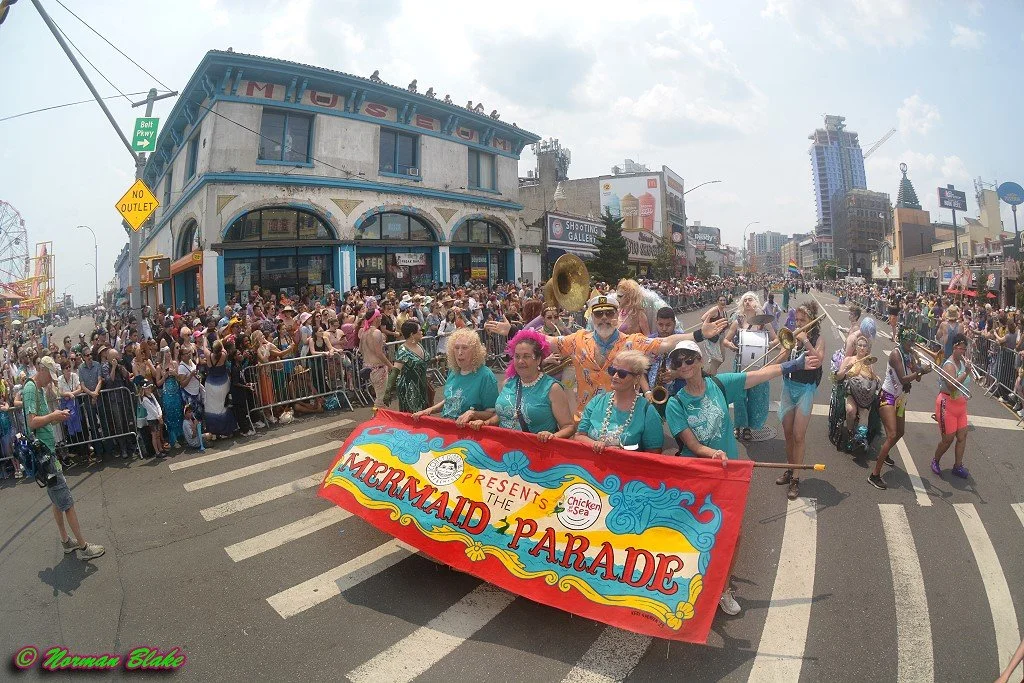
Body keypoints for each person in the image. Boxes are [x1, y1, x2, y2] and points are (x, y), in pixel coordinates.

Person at [663, 339, 817, 615]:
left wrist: (795, 364)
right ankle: (688, 585)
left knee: (732, 535)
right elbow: (694, 446)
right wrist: (712, 453)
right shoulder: (676, 404)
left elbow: (759, 376)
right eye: (677, 362)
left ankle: (722, 588)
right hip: (696, 478)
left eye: (689, 359)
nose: (684, 365)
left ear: (699, 361)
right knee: (694, 534)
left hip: (727, 476)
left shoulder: (720, 385)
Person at [485, 294, 727, 415]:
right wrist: (513, 330)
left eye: (608, 313)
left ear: (616, 316)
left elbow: (666, 342)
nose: (603, 318)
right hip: (586, 420)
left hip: (623, 419)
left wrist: (699, 335)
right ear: (591, 317)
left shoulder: (632, 342)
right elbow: (546, 340)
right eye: (598, 314)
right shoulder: (577, 339)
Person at [23, 356, 104, 560]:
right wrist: (53, 417)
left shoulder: (38, 388)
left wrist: (54, 413)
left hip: (48, 451)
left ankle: (66, 541)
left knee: (57, 500)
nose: (51, 379)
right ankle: (84, 547)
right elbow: (31, 422)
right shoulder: (31, 388)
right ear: (41, 370)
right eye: (49, 375)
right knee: (66, 501)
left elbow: (42, 414)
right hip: (45, 454)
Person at [470, 329, 575, 442]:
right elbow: (503, 415)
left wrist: (552, 436)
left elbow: (568, 426)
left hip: (535, 451)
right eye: (517, 356)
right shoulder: (507, 383)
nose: (520, 361)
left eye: (526, 356)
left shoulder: (552, 388)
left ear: (538, 359)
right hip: (504, 450)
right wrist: (486, 423)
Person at [776, 301, 825, 500]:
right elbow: (781, 360)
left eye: (802, 320)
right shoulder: (792, 336)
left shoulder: (818, 339)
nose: (798, 323)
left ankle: (796, 478)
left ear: (811, 321)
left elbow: (818, 360)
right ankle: (790, 469)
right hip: (789, 387)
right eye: (796, 319)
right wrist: (786, 347)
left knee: (798, 435)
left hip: (805, 390)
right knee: (787, 433)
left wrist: (805, 341)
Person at [574, 350, 663, 453]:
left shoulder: (647, 410)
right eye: (612, 371)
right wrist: (597, 445)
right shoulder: (596, 401)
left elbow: (654, 452)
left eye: (622, 373)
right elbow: (579, 436)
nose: (615, 376)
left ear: (636, 378)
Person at [869, 328, 926, 490]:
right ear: (902, 340)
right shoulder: (895, 354)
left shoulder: (909, 354)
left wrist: (919, 365)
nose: (912, 344)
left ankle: (884, 453)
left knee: (900, 432)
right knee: (892, 433)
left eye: (913, 341)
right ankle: (874, 475)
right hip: (887, 396)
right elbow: (903, 378)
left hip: (900, 399)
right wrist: (919, 372)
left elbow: (918, 378)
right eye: (909, 341)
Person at [413, 327, 497, 425]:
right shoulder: (453, 371)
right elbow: (450, 400)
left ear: (475, 351)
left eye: (465, 348)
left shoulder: (486, 376)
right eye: (456, 348)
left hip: (469, 435)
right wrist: (428, 411)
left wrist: (473, 414)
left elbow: (493, 413)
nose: (460, 352)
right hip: (447, 430)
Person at [723, 291, 776, 441]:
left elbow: (776, 339)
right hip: (741, 364)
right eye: (745, 300)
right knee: (740, 397)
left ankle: (748, 427)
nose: (747, 302)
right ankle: (738, 425)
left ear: (756, 303)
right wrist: (731, 345)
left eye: (750, 299)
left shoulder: (763, 321)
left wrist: (769, 345)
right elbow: (725, 340)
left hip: (759, 365)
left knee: (756, 397)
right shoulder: (738, 321)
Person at [931, 333, 972, 479]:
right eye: (961, 349)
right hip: (946, 404)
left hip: (960, 405)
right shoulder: (949, 364)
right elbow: (952, 386)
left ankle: (957, 466)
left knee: (962, 436)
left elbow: (962, 387)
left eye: (964, 349)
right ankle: (935, 460)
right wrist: (967, 372)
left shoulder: (961, 362)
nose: (963, 352)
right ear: (955, 347)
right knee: (947, 439)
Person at [834, 336, 881, 453]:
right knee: (850, 411)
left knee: (864, 412)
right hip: (851, 392)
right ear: (855, 347)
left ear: (867, 349)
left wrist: (877, 378)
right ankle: (850, 433)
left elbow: (873, 377)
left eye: (864, 346)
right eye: (859, 345)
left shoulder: (869, 362)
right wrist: (846, 369)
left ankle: (860, 437)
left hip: (865, 394)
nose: (862, 347)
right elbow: (838, 376)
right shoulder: (849, 359)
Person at [388, 320, 430, 412]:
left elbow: (421, 362)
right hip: (409, 389)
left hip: (422, 386)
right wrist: (388, 391)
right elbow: (395, 371)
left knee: (424, 416)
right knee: (412, 418)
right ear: (412, 334)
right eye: (419, 330)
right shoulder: (403, 351)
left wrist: (438, 359)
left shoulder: (419, 345)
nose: (422, 331)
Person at [359, 309, 392, 407]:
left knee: (380, 396)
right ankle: (376, 419)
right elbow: (379, 353)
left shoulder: (364, 332)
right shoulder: (376, 332)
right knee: (381, 399)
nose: (381, 318)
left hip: (368, 368)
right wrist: (390, 365)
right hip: (378, 368)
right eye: (379, 316)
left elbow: (361, 350)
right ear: (375, 318)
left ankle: (381, 418)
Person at [700, 294, 729, 374]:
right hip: (713, 338)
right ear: (717, 302)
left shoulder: (724, 311)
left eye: (724, 300)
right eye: (721, 300)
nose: (723, 302)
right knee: (716, 359)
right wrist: (710, 327)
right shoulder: (714, 310)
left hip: (721, 336)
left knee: (722, 358)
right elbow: (703, 318)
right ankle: (712, 378)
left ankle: (707, 374)